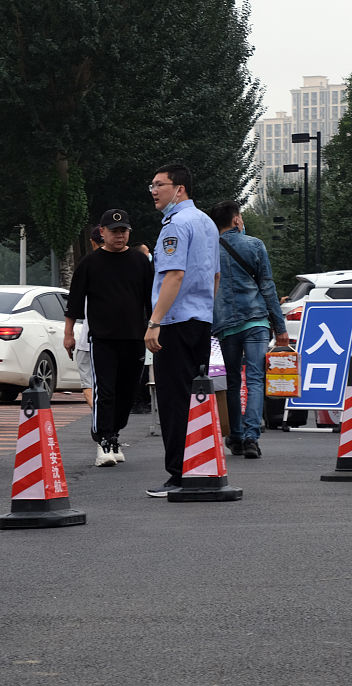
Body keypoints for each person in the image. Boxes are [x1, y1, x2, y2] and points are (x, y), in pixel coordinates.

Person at [144, 164, 220, 496]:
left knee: (174, 400)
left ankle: (178, 473)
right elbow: (215, 276)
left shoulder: (176, 226)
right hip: (200, 321)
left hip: (174, 324)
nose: (154, 190)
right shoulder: (207, 223)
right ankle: (200, 464)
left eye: (160, 185)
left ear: (180, 189)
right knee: (197, 398)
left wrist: (154, 321)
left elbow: (172, 276)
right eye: (152, 185)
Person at [65, 210, 154, 467]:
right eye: (114, 231)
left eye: (124, 231)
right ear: (102, 232)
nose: (119, 235)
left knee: (127, 391)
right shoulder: (90, 263)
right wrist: (68, 333)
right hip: (102, 338)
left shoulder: (139, 261)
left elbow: (151, 299)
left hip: (135, 336)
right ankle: (103, 441)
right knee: (106, 390)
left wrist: (155, 327)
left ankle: (114, 433)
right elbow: (74, 302)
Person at [208, 200, 289, 459]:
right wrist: (280, 328)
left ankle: (237, 436)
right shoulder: (255, 245)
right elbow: (267, 286)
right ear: (236, 220)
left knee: (232, 381)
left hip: (225, 325)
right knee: (255, 379)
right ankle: (253, 437)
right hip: (256, 321)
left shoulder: (208, 250)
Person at [74, 226, 105, 411]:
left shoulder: (86, 266)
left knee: (89, 385)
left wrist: (68, 333)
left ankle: (100, 421)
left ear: (92, 242)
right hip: (112, 340)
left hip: (88, 341)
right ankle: (104, 424)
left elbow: (73, 307)